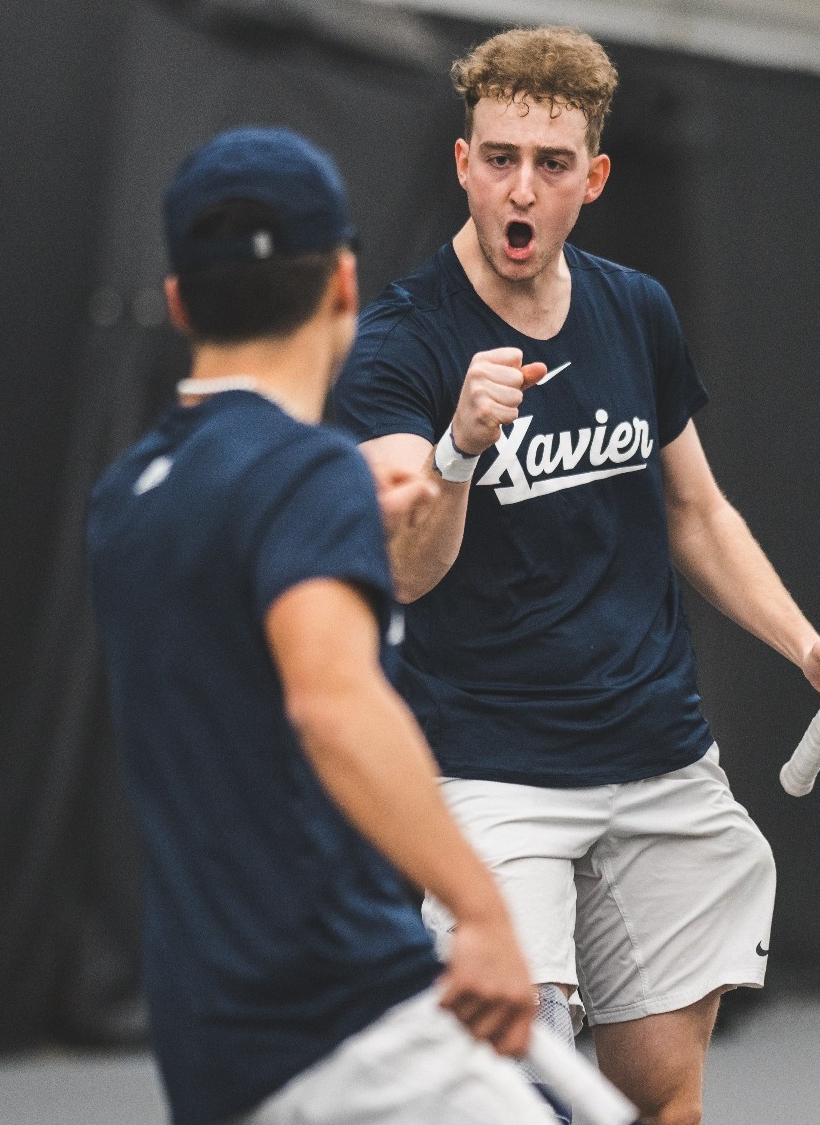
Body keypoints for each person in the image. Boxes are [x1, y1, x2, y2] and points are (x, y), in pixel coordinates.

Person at [326, 28, 820, 1125]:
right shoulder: (399, 347)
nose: (519, 187)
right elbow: (403, 574)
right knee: (520, 1096)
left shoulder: (635, 311)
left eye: (549, 162)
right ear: (461, 165)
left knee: (656, 1103)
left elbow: (696, 511)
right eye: (497, 158)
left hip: (658, 761)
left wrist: (805, 648)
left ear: (593, 177)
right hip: (492, 776)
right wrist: (455, 453)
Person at [88, 126, 555, 1125]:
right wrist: (479, 913)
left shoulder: (128, 496)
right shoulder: (307, 478)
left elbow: (231, 649)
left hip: (211, 1037)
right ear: (344, 284)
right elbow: (332, 706)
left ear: (178, 302)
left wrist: (342, 528)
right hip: (346, 1014)